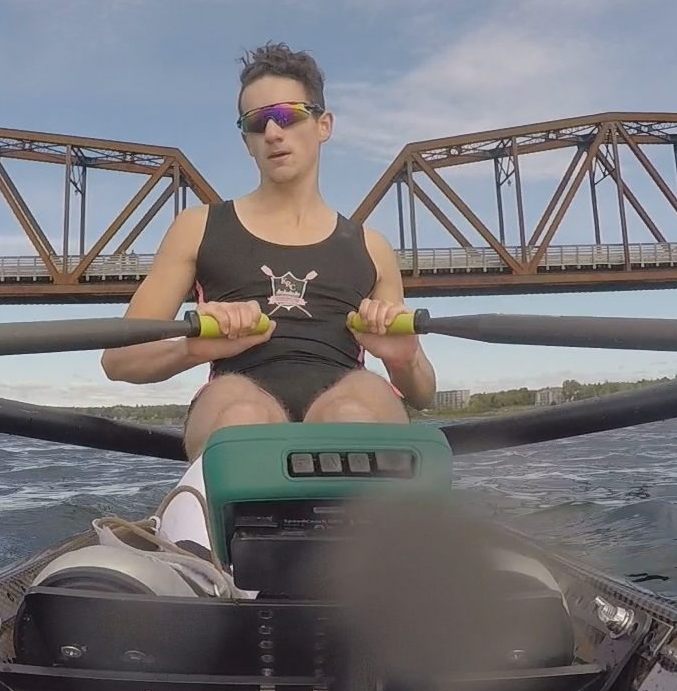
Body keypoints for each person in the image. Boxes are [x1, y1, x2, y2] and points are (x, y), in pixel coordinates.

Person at [100, 42, 437, 461]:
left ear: (323, 124)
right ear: (247, 141)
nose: (273, 133)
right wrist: (191, 348)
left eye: (288, 115)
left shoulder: (373, 247)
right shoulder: (196, 228)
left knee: (351, 412)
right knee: (243, 416)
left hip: (348, 389)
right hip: (236, 391)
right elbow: (118, 360)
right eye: (256, 122)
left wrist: (405, 360)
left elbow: (422, 394)